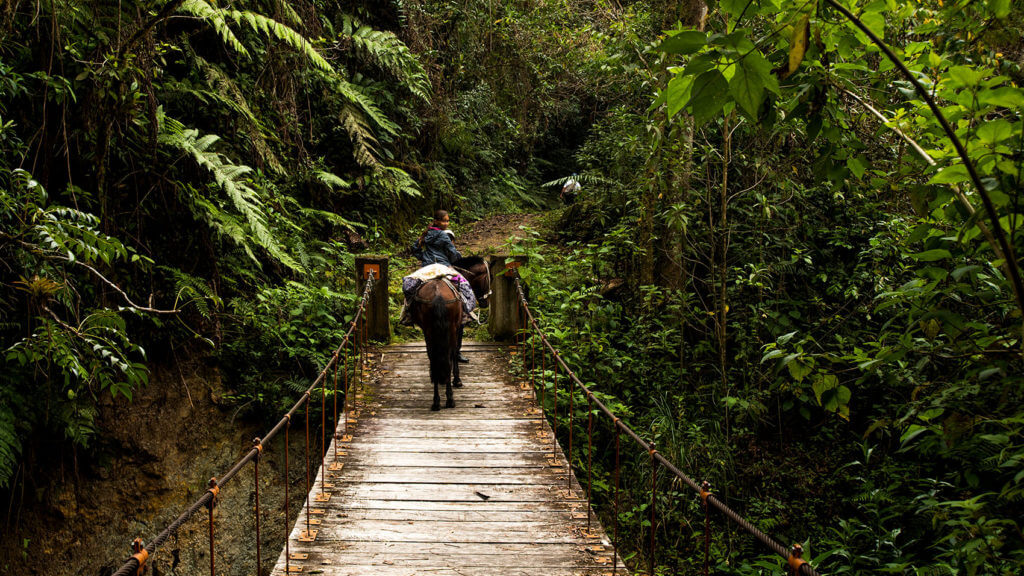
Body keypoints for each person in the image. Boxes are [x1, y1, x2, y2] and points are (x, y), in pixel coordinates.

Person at [400, 210, 472, 363]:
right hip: (444, 267)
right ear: (437, 221)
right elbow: (453, 253)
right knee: (466, 288)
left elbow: (415, 249)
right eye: (444, 221)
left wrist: (424, 258)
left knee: (409, 284)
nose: (446, 224)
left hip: (427, 268)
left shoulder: (425, 235)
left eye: (447, 221)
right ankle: (466, 313)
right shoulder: (444, 235)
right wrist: (457, 260)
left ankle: (408, 312)